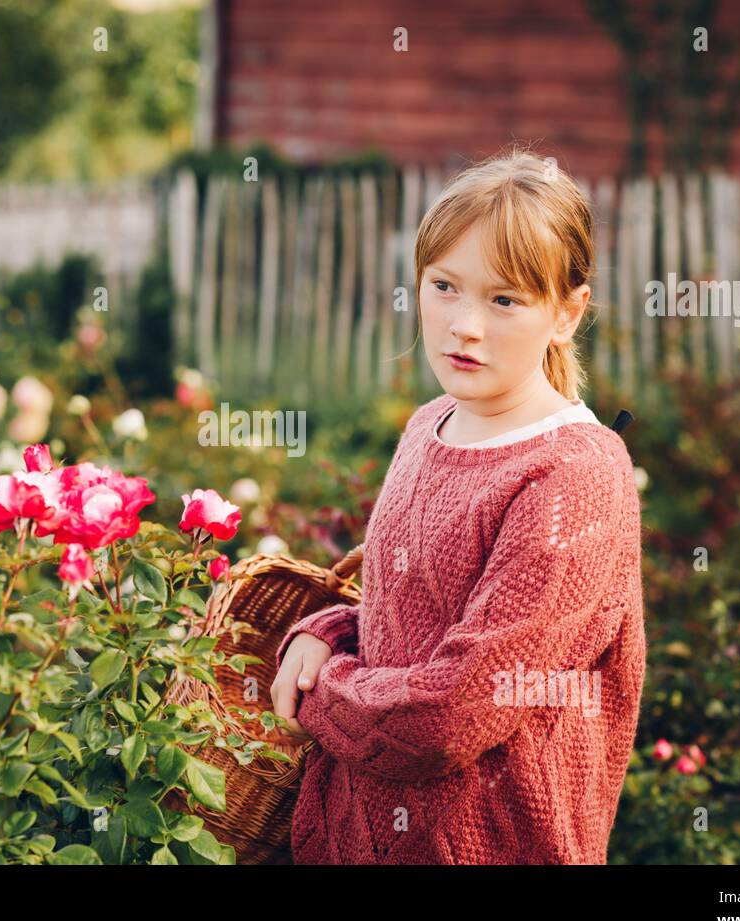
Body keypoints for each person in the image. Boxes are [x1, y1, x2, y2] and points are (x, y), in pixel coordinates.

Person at [270, 149, 646, 864]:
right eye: (444, 286)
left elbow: (451, 713)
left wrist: (314, 697)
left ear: (567, 312)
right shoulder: (428, 424)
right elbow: (414, 610)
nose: (464, 325)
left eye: (504, 300)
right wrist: (328, 629)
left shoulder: (574, 475)